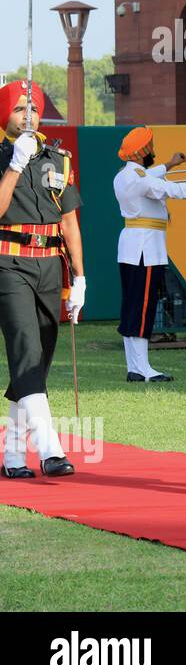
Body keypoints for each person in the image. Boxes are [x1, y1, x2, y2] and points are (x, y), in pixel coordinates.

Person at [0, 80, 83, 479]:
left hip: (50, 265)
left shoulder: (58, 160)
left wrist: (81, 278)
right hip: (8, 262)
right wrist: (15, 165)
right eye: (19, 109)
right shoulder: (2, 157)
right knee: (25, 349)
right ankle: (50, 449)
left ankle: (13, 456)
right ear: (4, 116)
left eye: (33, 108)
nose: (28, 115)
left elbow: (69, 221)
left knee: (36, 359)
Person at [114, 126, 186, 382]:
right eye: (150, 148)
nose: (153, 152)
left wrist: (170, 164)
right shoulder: (140, 179)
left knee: (133, 307)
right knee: (143, 309)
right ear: (142, 152)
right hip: (145, 249)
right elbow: (172, 191)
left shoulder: (127, 175)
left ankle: (135, 367)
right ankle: (142, 368)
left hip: (133, 248)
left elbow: (150, 175)